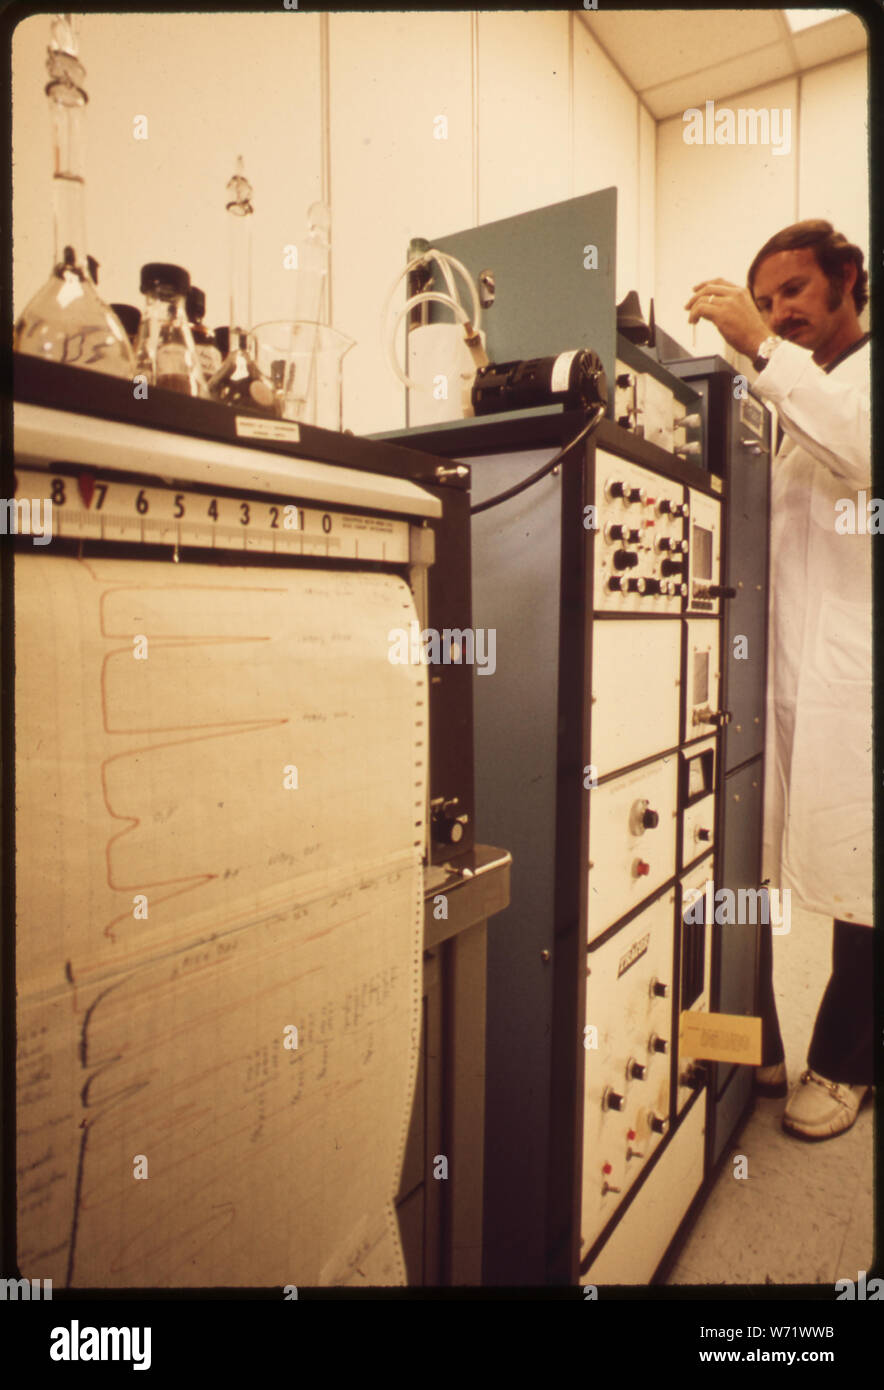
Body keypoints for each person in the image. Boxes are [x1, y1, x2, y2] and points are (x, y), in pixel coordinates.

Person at [684, 220, 872, 1141]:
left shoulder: (851, 388)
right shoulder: (792, 400)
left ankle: (845, 1066)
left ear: (846, 280)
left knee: (862, 881)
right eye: (764, 303)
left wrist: (758, 351)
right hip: (775, 683)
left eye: (794, 292)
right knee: (743, 858)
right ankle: (750, 1040)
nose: (779, 314)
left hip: (853, 690)